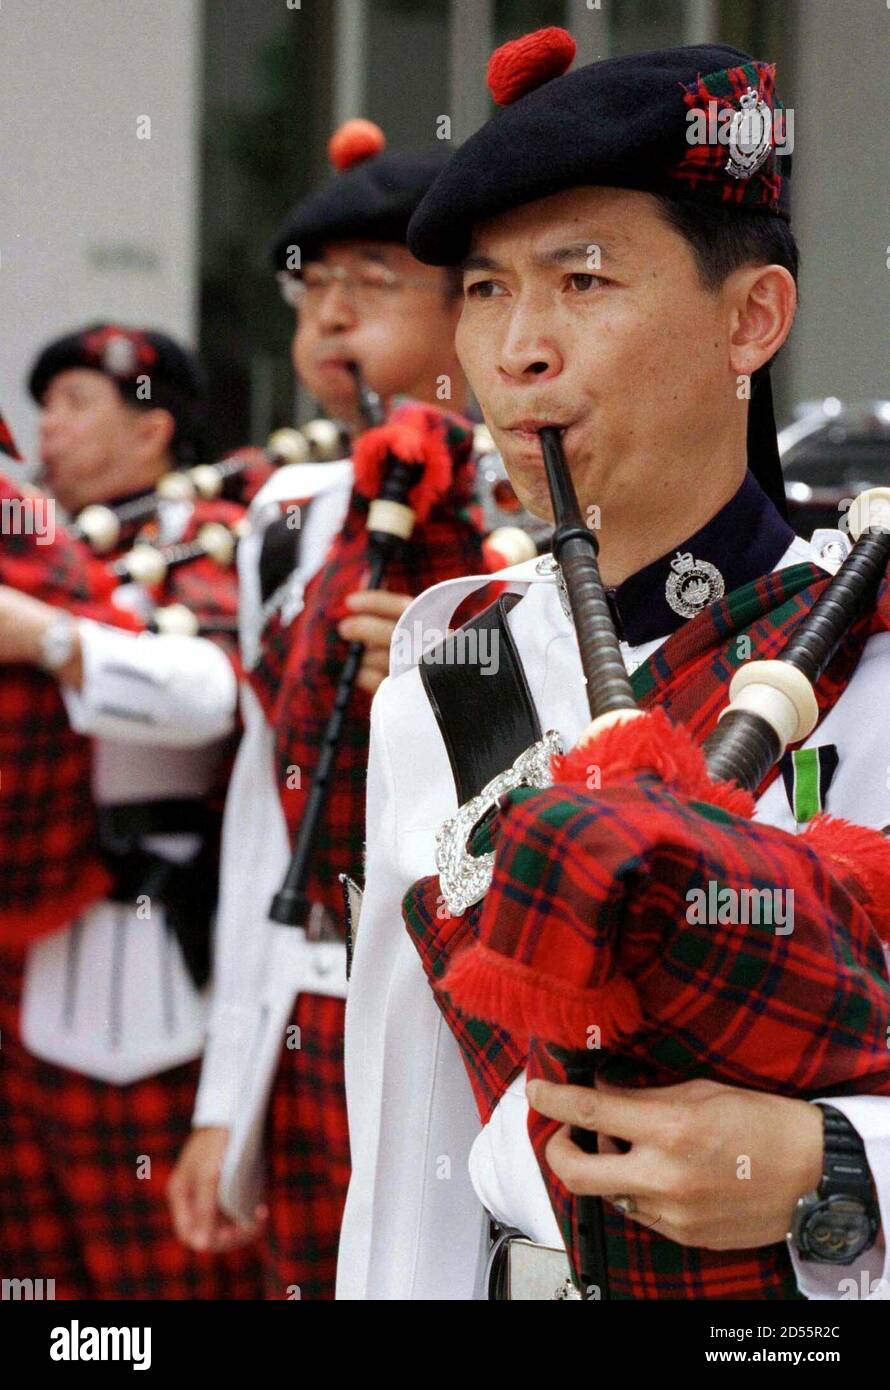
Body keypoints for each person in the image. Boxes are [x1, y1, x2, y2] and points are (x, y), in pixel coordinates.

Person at [339, 31, 890, 1300]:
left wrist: (832, 1162)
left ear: (749, 317)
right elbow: (410, 1147)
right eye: (483, 290)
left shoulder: (858, 622)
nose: (516, 349)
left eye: (579, 281)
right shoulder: (455, 666)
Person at [168, 121, 488, 1300]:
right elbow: (268, 804)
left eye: (373, 282)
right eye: (314, 289)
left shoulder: (545, 486)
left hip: (466, 1000)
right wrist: (224, 1104)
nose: (332, 317)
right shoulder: (287, 516)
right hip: (307, 997)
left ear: (471, 307)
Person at [0, 324, 263, 1298]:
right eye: (43, 406)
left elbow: (220, 691)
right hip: (24, 963)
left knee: (158, 1285)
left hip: (146, 973)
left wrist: (50, 638)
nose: (47, 429)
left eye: (74, 402)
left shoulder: (206, 533)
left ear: (154, 426)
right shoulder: (41, 541)